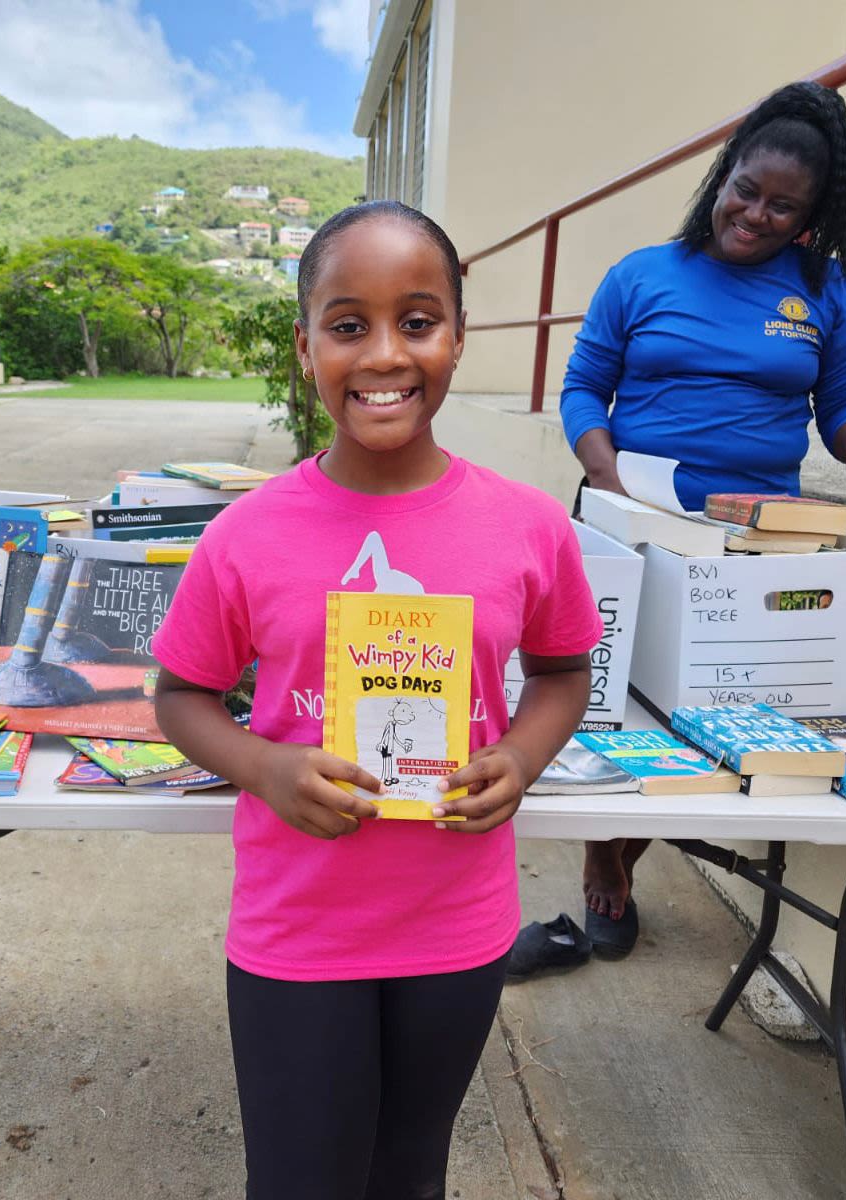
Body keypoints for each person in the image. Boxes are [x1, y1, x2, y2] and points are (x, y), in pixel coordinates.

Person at [151, 199, 603, 1200]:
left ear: (456, 335)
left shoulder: (526, 527)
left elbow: (563, 671)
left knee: (409, 1175)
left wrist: (519, 759)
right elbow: (180, 694)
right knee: (302, 1181)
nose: (384, 355)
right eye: (348, 325)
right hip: (297, 927)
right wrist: (264, 767)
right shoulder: (246, 535)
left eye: (418, 319)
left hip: (455, 924)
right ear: (305, 343)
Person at [558, 82, 846, 960]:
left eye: (782, 205)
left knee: (704, 710)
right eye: (745, 189)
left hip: (752, 536)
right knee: (616, 708)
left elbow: (844, 401)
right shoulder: (640, 274)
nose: (754, 215)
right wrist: (608, 477)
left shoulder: (828, 288)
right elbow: (582, 386)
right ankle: (599, 855)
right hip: (630, 515)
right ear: (720, 175)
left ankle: (622, 850)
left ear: (811, 215)